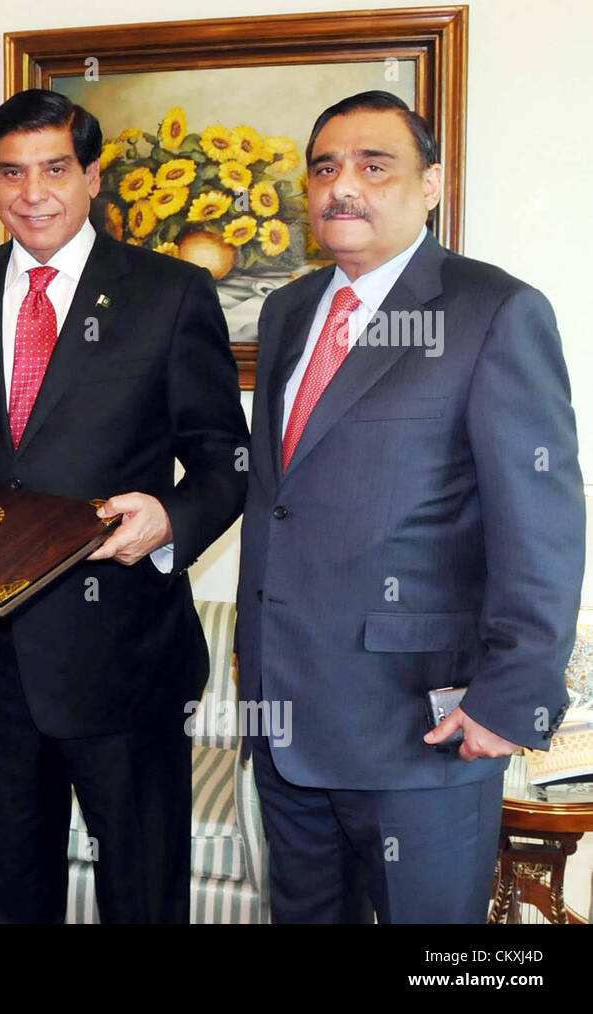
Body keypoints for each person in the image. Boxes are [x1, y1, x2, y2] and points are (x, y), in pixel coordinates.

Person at [0, 89, 248, 923]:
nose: (33, 192)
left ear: (93, 175)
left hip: (126, 657)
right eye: (11, 172)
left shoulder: (168, 293)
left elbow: (224, 459)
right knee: (7, 892)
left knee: (141, 894)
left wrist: (169, 520)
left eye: (56, 168)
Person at [235, 90, 583, 923]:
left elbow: (541, 523)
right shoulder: (289, 310)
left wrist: (514, 696)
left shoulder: (493, 310)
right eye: (324, 168)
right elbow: (282, 501)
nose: (341, 186)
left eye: (373, 164)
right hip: (285, 717)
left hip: (423, 725)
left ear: (431, 184)